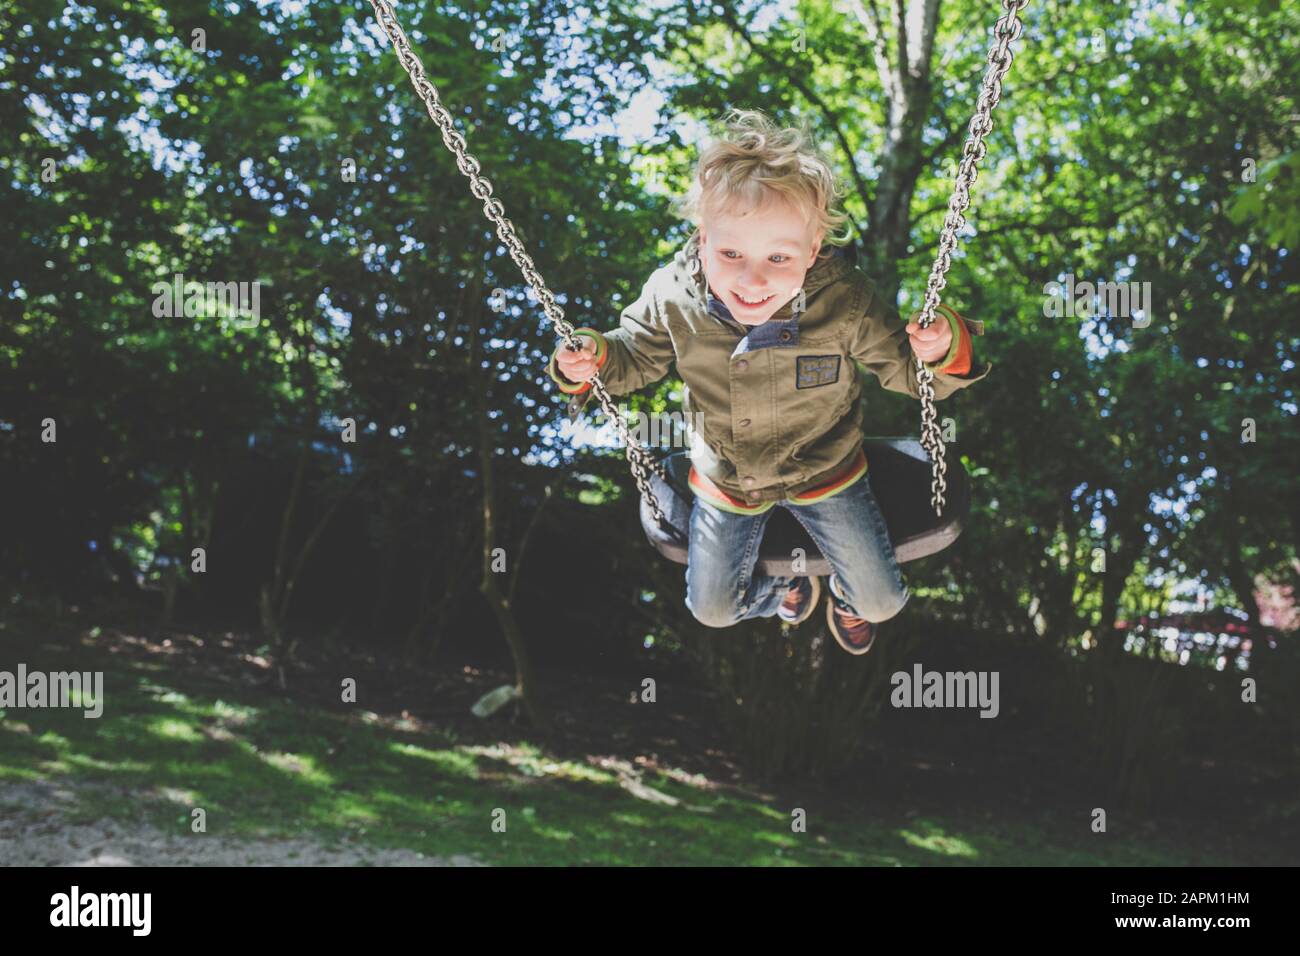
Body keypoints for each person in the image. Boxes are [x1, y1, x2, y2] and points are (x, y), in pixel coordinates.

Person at [548, 109, 990, 655]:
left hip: (828, 471)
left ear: (811, 253)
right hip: (727, 479)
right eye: (730, 253)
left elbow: (906, 368)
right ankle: (787, 583)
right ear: (702, 238)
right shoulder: (672, 295)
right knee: (710, 610)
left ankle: (846, 601)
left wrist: (940, 347)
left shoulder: (845, 301)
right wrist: (592, 358)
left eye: (778, 257)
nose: (752, 278)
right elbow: (633, 355)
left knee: (882, 602)